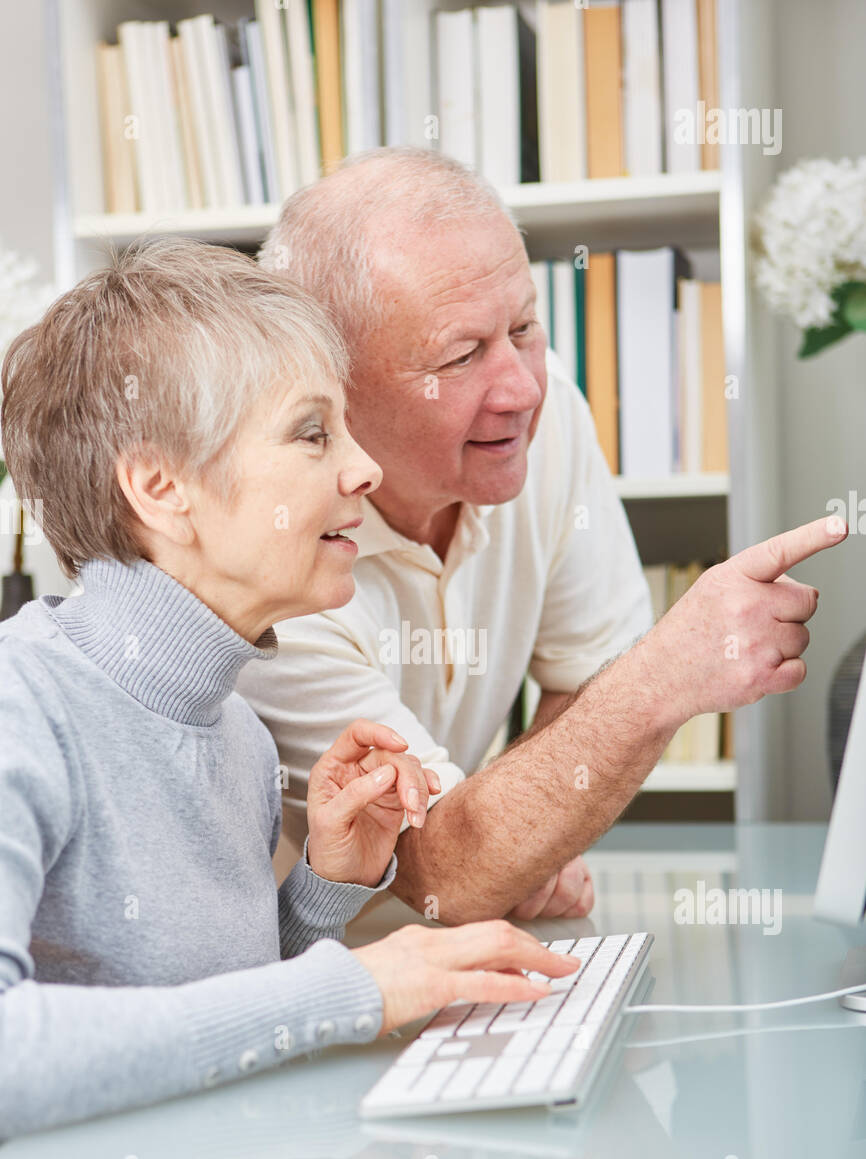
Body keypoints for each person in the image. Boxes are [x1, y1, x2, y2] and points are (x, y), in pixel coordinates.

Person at [0, 238, 580, 1141]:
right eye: (313, 434)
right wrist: (357, 985)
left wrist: (323, 889)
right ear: (159, 487)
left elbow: (226, 1007)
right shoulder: (19, 706)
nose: (364, 469)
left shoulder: (237, 733)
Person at [238, 147, 846, 926]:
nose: (523, 388)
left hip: (457, 955)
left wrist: (515, 844)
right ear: (331, 382)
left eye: (524, 326)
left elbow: (584, 678)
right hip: (297, 972)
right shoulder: (269, 549)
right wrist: (662, 676)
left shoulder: (546, 404)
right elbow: (438, 876)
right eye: (461, 356)